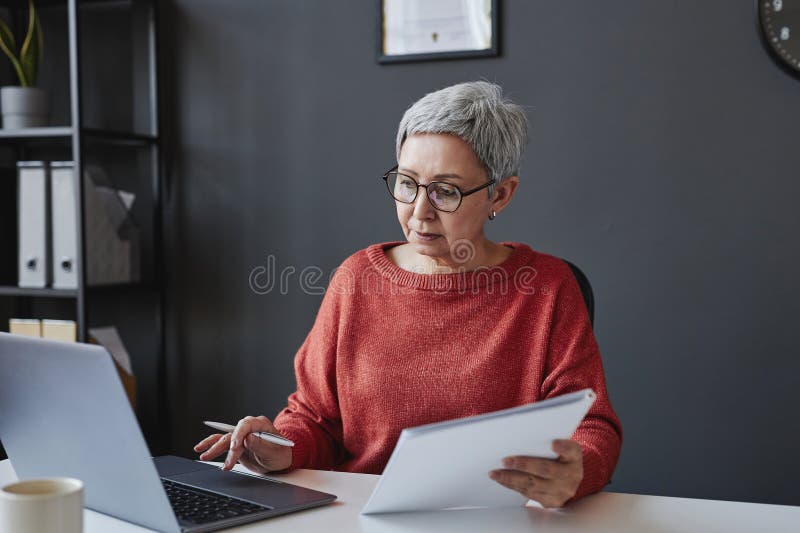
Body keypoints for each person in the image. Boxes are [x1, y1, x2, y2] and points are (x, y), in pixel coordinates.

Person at [195, 81, 622, 508]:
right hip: (360, 515)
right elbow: (316, 421)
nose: (419, 211)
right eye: (406, 183)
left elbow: (592, 425)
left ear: (501, 194)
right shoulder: (356, 278)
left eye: (446, 191)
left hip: (493, 517)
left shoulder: (547, 287)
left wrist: (576, 469)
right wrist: (278, 447)